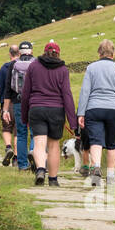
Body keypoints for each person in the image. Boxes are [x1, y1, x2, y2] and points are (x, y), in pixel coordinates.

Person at [20, 40, 78, 187]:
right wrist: (73, 122)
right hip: (56, 111)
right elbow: (67, 95)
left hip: (36, 109)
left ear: (44, 52)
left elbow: (25, 93)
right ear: (58, 53)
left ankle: (40, 169)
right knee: (53, 146)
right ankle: (53, 179)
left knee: (39, 143)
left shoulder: (33, 66)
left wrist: (24, 115)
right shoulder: (63, 70)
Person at [77, 39, 115, 188]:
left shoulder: (91, 68)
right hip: (113, 110)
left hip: (93, 109)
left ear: (99, 53)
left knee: (96, 141)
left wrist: (80, 113)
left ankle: (96, 169)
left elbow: (85, 92)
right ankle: (111, 176)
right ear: (113, 54)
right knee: (112, 143)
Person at [8, 42, 36, 175]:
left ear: (19, 52)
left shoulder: (13, 65)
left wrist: (5, 109)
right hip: (34, 101)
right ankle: (35, 156)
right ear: (31, 51)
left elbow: (9, 88)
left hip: (18, 101)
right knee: (35, 132)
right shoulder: (37, 63)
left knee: (21, 133)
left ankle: (23, 164)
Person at [0, 45, 21, 166]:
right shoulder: (24, 66)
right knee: (18, 131)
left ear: (10, 54)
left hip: (7, 102)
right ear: (19, 54)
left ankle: (8, 147)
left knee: (6, 127)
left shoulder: (5, 67)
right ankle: (15, 157)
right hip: (20, 102)